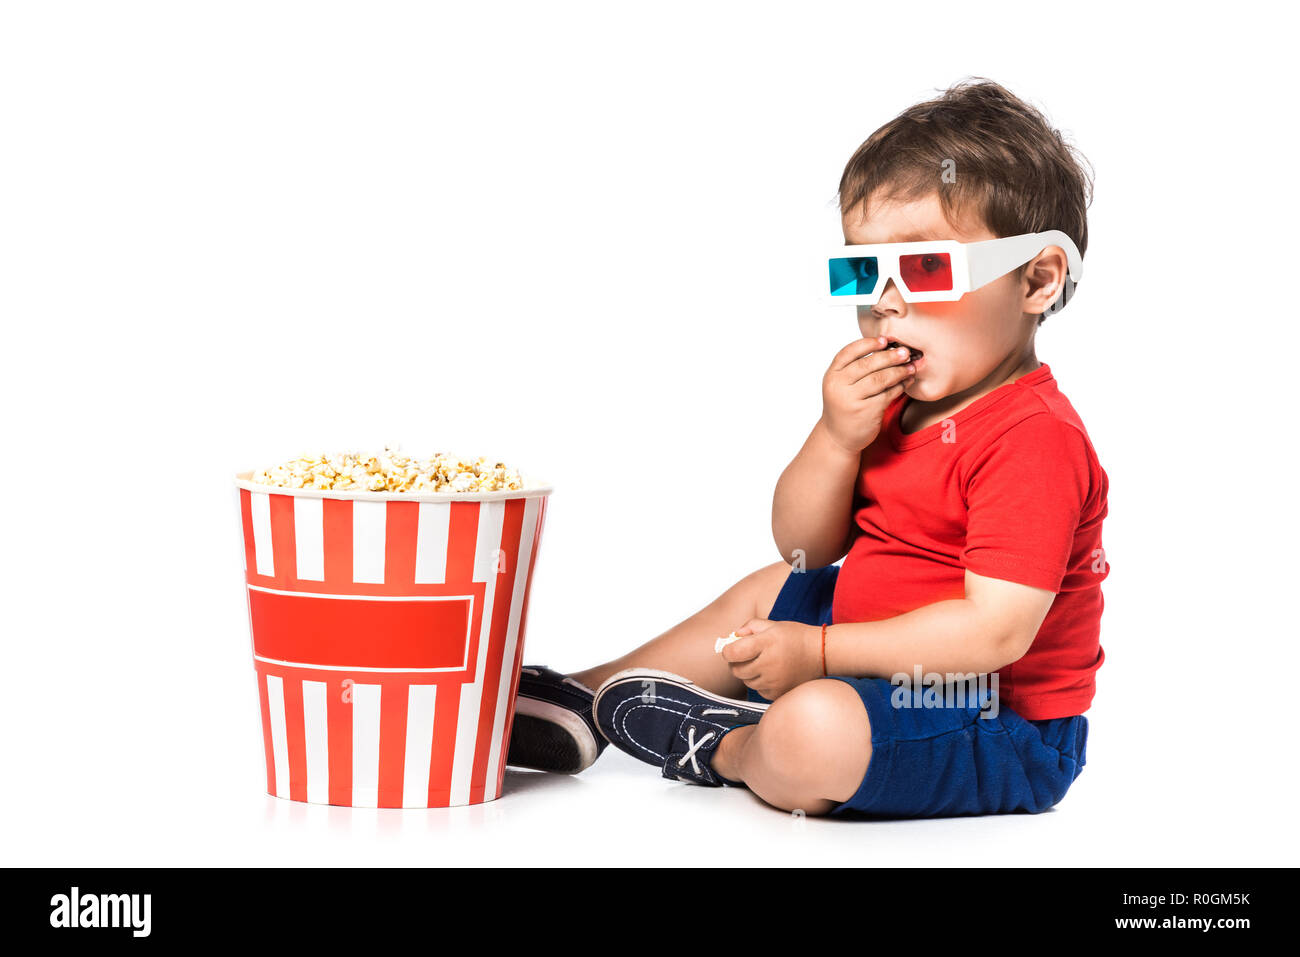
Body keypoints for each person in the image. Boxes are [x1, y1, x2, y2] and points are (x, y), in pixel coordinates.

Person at [507, 78, 1106, 818]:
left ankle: (726, 742)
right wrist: (835, 437)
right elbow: (805, 546)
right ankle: (588, 694)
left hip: (988, 719)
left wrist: (818, 656)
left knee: (811, 731)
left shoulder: (1033, 438)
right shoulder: (896, 404)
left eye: (924, 268)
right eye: (863, 271)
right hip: (867, 657)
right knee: (769, 586)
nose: (885, 301)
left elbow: (994, 631)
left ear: (1037, 278)